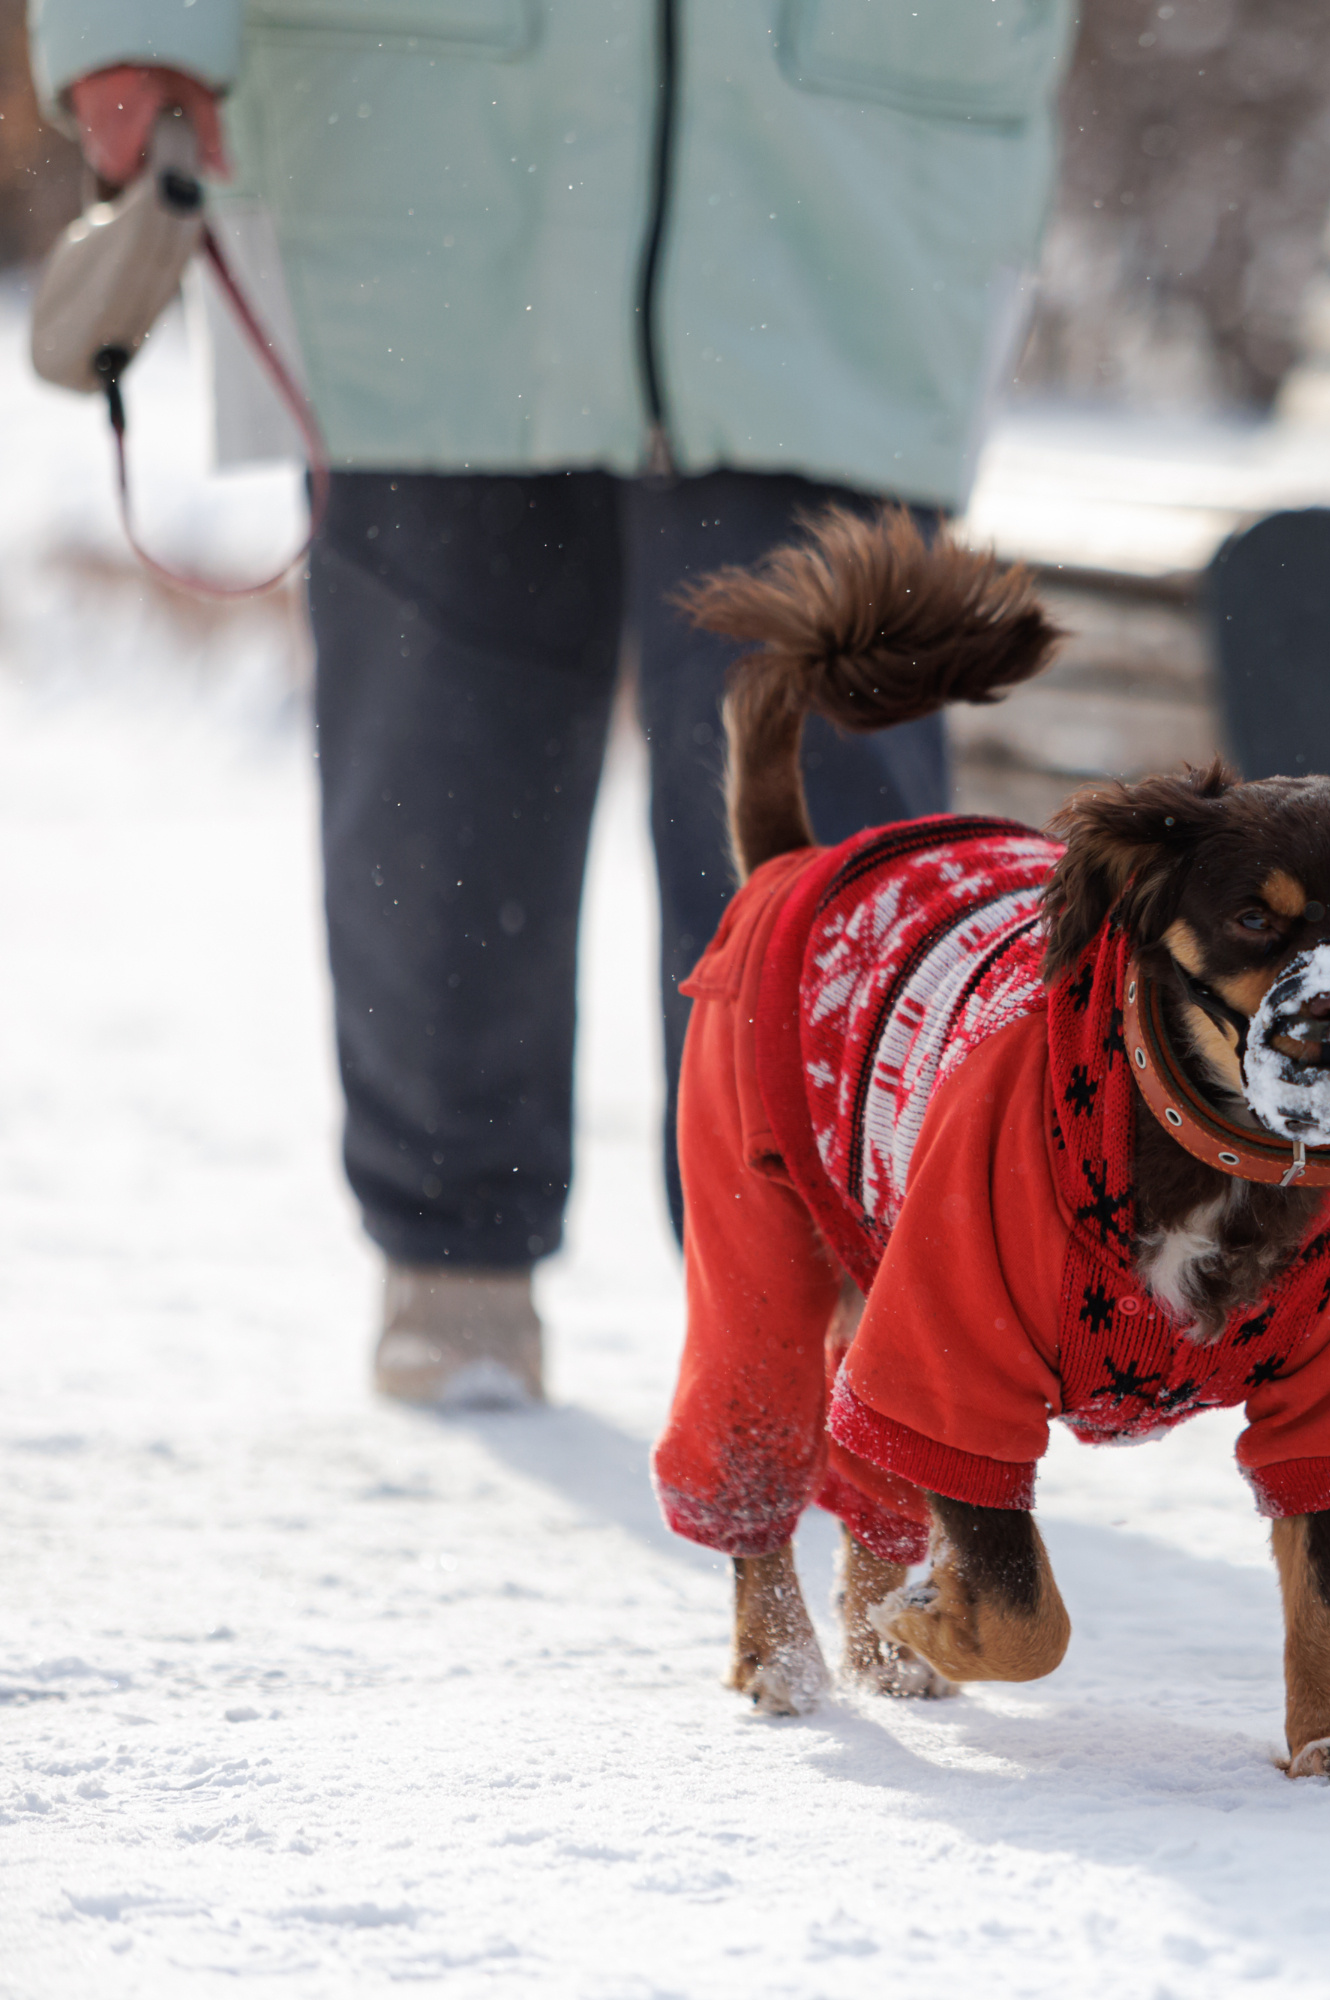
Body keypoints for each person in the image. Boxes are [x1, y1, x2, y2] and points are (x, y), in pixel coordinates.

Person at [29, 2, 1075, 1405]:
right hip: (417, 136)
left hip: (847, 142)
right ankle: (453, 1257)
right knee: (440, 759)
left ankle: (834, 1280)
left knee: (828, 773)